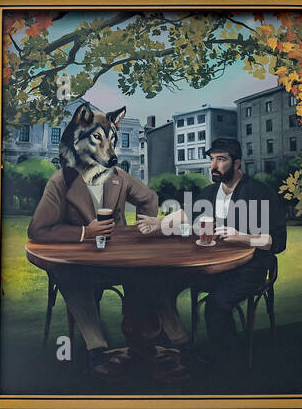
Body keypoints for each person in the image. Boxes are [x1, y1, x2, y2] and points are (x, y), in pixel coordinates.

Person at [28, 106, 187, 373]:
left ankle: (166, 342)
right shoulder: (60, 182)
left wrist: (145, 228)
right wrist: (83, 234)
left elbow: (149, 199)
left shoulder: (118, 177)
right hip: (80, 261)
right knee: (70, 275)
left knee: (151, 272)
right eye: (98, 139)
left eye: (111, 141)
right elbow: (38, 230)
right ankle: (97, 350)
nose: (109, 150)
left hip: (117, 259)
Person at [139, 137, 286, 372]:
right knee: (161, 286)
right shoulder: (210, 192)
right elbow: (187, 215)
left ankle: (228, 363)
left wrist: (243, 236)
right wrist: (158, 223)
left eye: (221, 159)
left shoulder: (259, 192)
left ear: (237, 163)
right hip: (212, 264)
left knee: (216, 305)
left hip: (250, 268)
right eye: (211, 160)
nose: (213, 166)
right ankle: (181, 346)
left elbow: (277, 242)